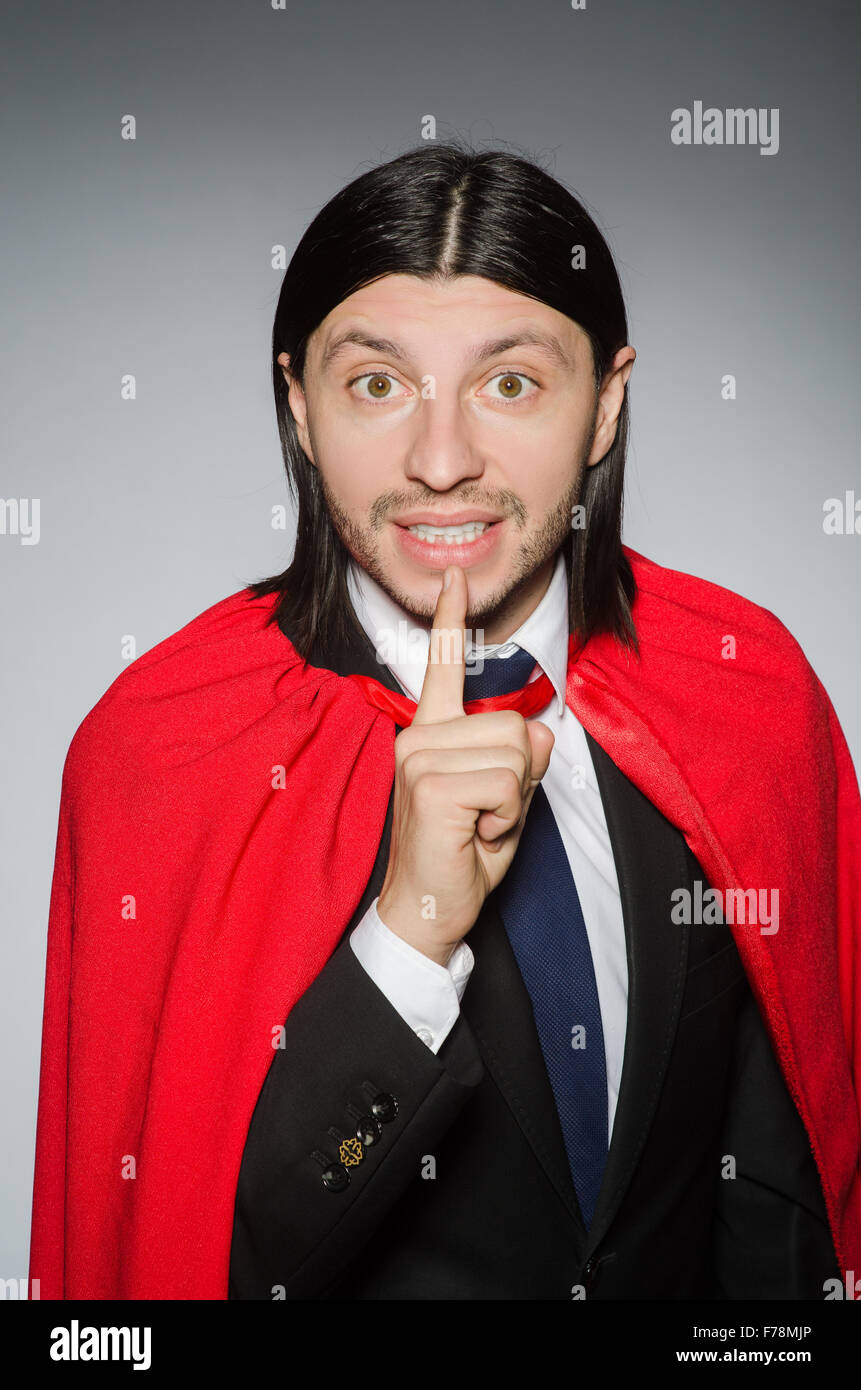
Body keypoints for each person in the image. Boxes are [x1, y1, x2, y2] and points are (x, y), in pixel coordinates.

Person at [30, 142, 861, 1301]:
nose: (440, 460)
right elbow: (197, 1261)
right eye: (378, 383)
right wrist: (411, 936)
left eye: (509, 383)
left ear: (606, 404)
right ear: (300, 408)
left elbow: (784, 1195)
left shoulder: (743, 689)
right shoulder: (164, 745)